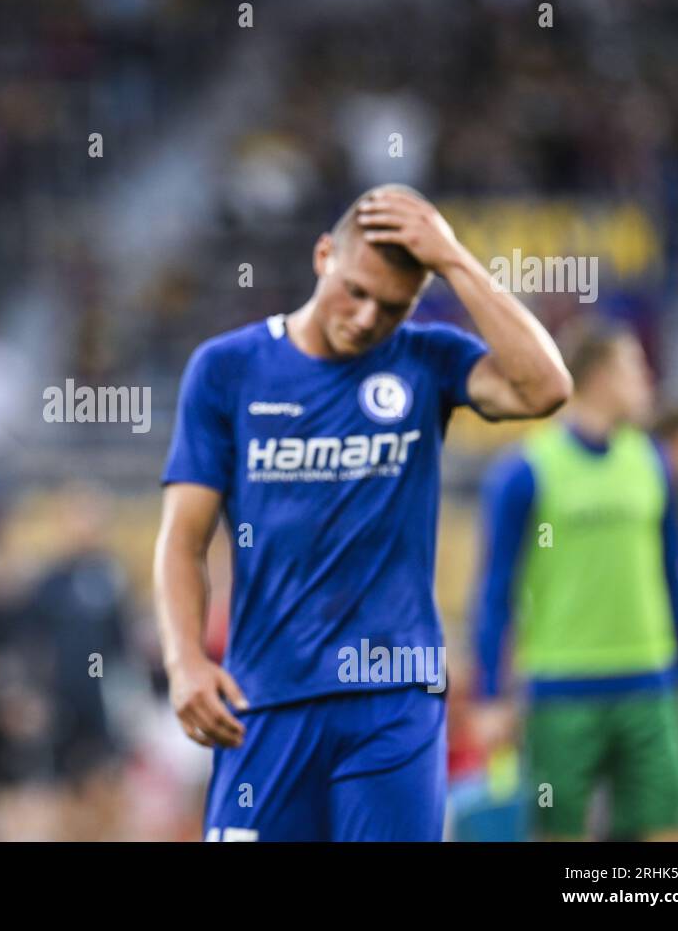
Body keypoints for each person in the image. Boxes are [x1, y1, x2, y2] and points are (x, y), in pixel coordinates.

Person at [155, 184, 571, 841]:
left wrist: (457, 260)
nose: (368, 317)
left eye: (394, 306)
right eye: (357, 290)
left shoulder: (427, 360)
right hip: (264, 697)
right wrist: (184, 664)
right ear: (324, 255)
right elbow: (182, 540)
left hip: (394, 700)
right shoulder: (228, 370)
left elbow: (545, 387)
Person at [470, 320, 678, 840]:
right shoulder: (526, 470)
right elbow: (495, 589)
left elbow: (673, 574)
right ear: (601, 376)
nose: (647, 380)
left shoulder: (651, 463)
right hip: (562, 691)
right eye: (635, 368)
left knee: (673, 831)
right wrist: (491, 693)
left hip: (650, 684)